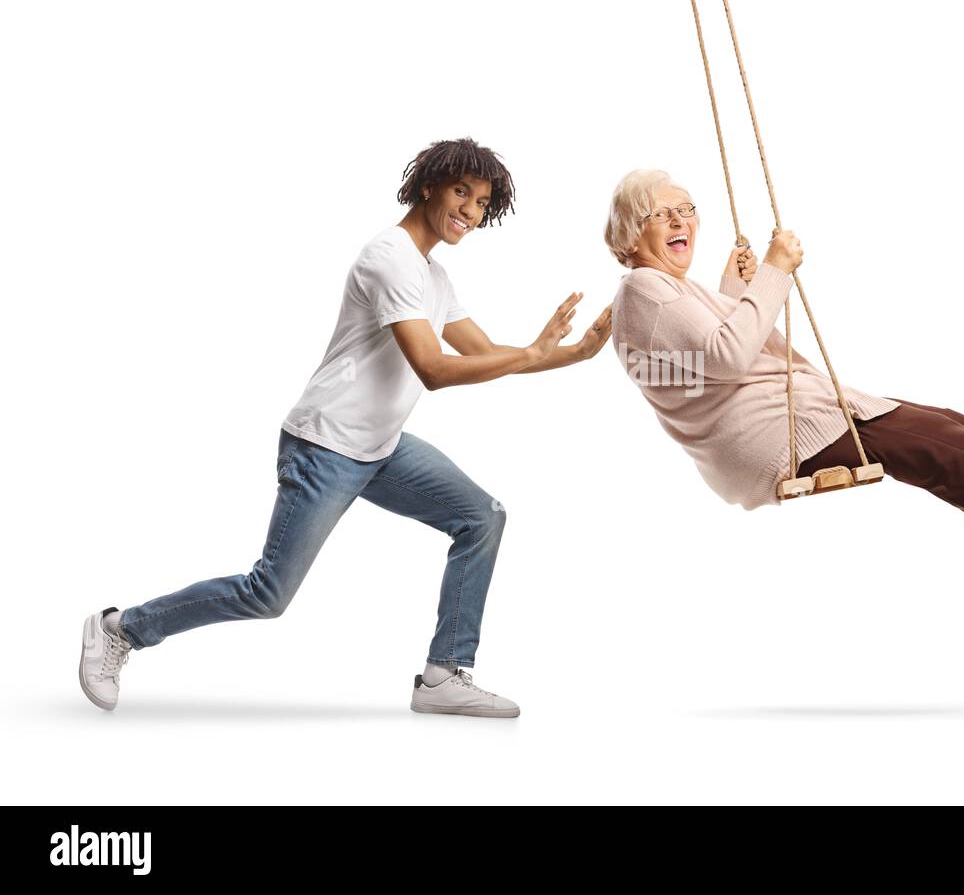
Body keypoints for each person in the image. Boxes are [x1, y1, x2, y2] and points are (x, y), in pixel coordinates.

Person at [79, 137, 613, 716]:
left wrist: (572, 353)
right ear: (429, 185)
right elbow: (434, 369)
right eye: (462, 192)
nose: (471, 210)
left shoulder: (433, 277)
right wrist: (535, 355)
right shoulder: (388, 257)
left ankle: (442, 677)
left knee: (481, 517)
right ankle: (120, 629)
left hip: (380, 449)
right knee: (268, 594)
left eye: (482, 202)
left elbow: (482, 351)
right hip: (324, 447)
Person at [604, 168, 964, 566]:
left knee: (951, 429)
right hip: (774, 433)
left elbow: (693, 372)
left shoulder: (658, 295)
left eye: (686, 209)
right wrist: (774, 272)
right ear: (633, 232)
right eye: (662, 213)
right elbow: (729, 358)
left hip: (776, 423)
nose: (681, 220)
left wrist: (734, 291)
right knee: (938, 449)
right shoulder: (646, 291)